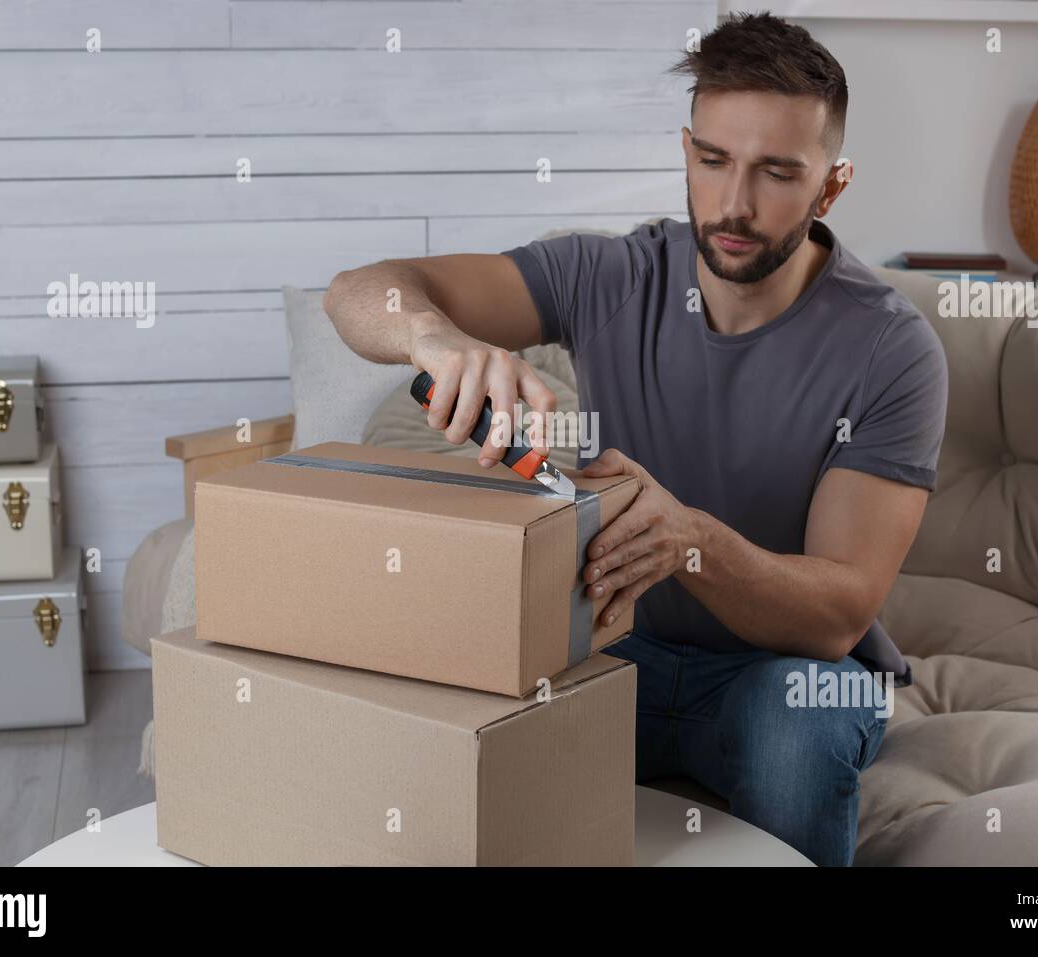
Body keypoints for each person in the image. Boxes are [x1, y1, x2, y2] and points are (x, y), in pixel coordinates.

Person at [324, 11, 948, 866]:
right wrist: (434, 337)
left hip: (782, 675)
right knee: (434, 701)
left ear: (830, 188)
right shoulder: (609, 275)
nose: (734, 204)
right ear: (687, 152)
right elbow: (359, 293)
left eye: (776, 173)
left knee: (793, 725)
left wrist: (691, 541)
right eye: (713, 160)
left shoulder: (890, 349)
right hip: (614, 651)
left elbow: (837, 615)